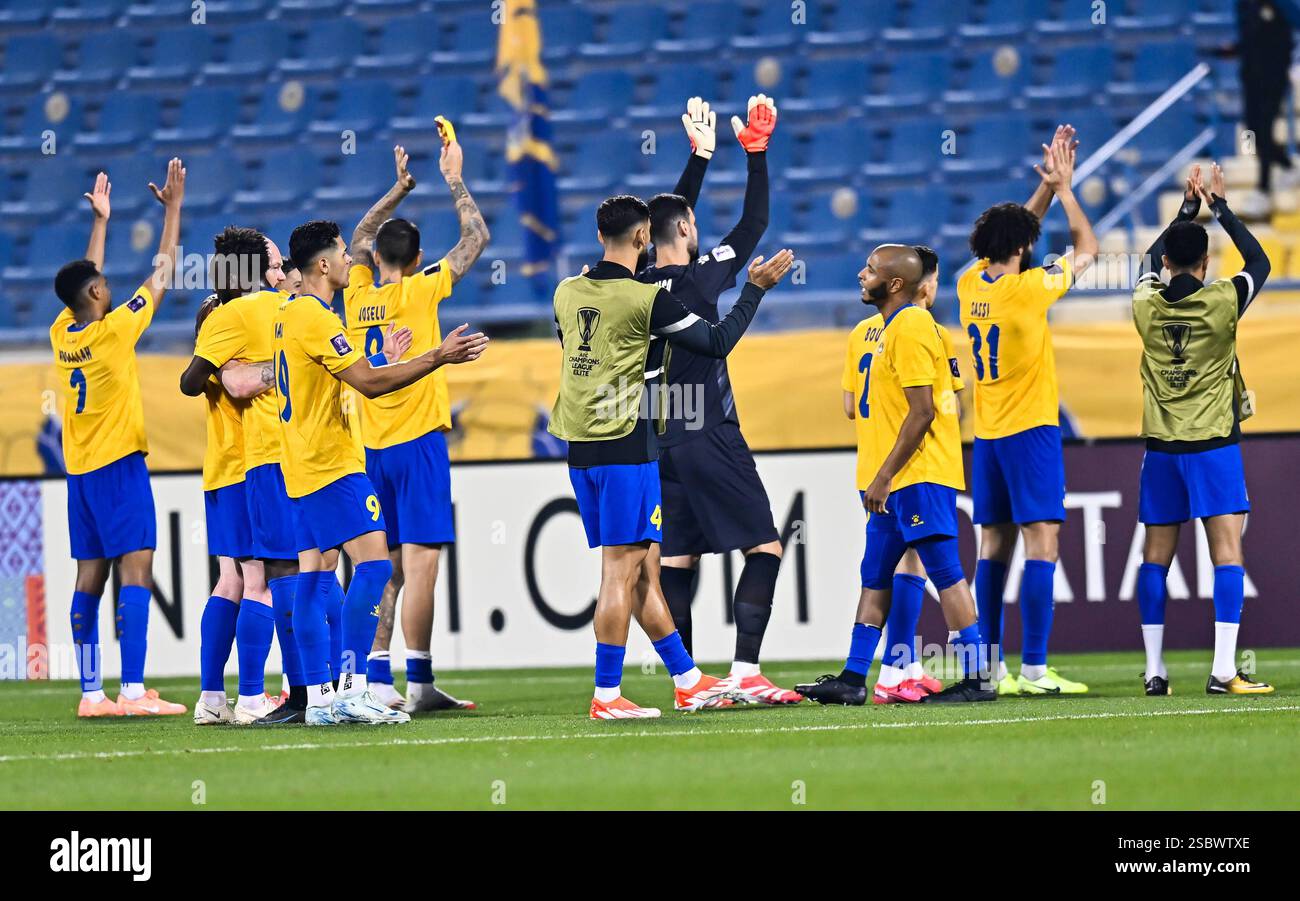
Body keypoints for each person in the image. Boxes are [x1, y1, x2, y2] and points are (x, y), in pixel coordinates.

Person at [548, 194, 795, 718]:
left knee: (642, 573)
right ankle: (607, 695)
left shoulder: (566, 291)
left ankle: (686, 678)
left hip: (580, 445)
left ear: (598, 236)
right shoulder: (646, 301)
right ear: (643, 240)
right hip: (629, 440)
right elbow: (718, 340)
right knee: (620, 574)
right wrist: (754, 289)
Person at [274, 220, 487, 725]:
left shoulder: (291, 315)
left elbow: (338, 379)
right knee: (374, 567)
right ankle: (353, 689)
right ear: (322, 264)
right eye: (344, 252)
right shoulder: (321, 319)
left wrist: (382, 356)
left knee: (314, 576)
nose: (352, 259)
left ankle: (319, 699)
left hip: (299, 463)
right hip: (333, 463)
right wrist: (437, 355)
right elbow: (368, 385)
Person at [636, 95, 801, 705]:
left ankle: (686, 683)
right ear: (685, 232)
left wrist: (699, 160)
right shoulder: (700, 277)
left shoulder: (636, 285)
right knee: (765, 545)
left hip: (657, 437)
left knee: (677, 559)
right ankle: (745, 669)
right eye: (693, 225)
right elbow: (752, 227)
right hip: (707, 428)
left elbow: (664, 220)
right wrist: (755, 157)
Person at [798, 245, 991, 705]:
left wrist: (884, 474)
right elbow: (945, 403)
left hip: (916, 474)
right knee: (875, 575)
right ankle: (853, 677)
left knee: (946, 573)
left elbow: (924, 411)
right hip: (891, 476)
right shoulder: (886, 329)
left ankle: (978, 677)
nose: (862, 276)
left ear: (897, 284)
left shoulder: (912, 326)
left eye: (871, 271)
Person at [342, 136, 488, 714]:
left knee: (383, 567)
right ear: (418, 255)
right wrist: (453, 178)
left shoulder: (354, 294)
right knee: (422, 563)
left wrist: (399, 186)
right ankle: (420, 682)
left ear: (377, 259)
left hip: (369, 444)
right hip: (420, 442)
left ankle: (376, 678)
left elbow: (358, 234)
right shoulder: (425, 288)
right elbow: (476, 238)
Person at [957, 133, 1098, 696]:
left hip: (986, 436)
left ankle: (989, 669)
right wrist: (1063, 190)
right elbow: (1087, 247)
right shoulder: (1030, 291)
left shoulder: (971, 286)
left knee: (993, 545)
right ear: (1021, 250)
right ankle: (1036, 670)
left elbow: (1014, 234)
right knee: (1043, 540)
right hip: (1031, 431)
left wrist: (1039, 188)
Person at [1131, 162, 1273, 696]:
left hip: (1161, 448)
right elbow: (1258, 260)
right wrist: (1221, 208)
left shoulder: (1144, 303)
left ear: (1168, 262)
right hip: (1213, 446)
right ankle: (1221, 670)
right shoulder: (1222, 301)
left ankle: (1154, 670)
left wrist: (1186, 211)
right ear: (1207, 259)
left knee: (1154, 559)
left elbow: (1145, 262)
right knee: (1227, 555)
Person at [52, 161, 188, 717]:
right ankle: (133, 691)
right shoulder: (114, 334)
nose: (109, 285)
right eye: (103, 284)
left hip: (80, 471)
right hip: (118, 466)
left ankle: (91, 694)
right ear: (96, 294)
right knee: (137, 565)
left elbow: (87, 277)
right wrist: (173, 210)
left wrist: (101, 223)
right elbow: (164, 271)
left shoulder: (64, 332)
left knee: (89, 572)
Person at [841, 245, 958, 702]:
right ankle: (897, 667)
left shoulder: (860, 333)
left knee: (878, 570)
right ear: (923, 284)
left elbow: (850, 407)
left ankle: (883, 671)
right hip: (907, 466)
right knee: (922, 568)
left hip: (871, 465)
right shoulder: (926, 330)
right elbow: (942, 407)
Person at [191, 227, 287, 725]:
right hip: (246, 462)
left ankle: (211, 698)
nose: (280, 268)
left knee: (229, 578)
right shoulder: (239, 317)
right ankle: (251, 697)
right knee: (259, 580)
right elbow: (210, 380)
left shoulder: (213, 311)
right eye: (273, 262)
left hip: (219, 464)